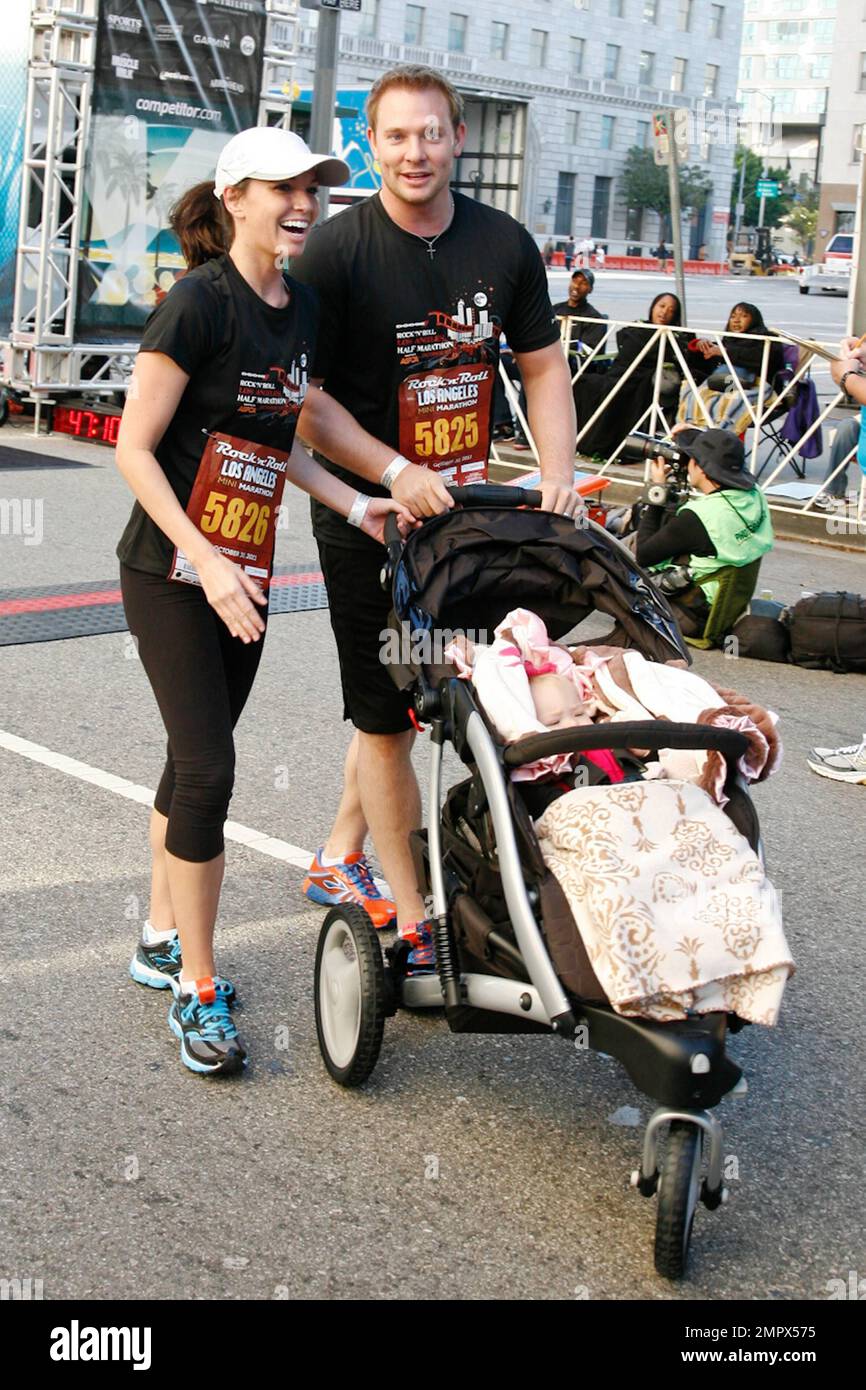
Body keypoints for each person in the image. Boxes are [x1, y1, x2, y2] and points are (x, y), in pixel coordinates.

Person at [115, 127, 411, 1074]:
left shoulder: (301, 307)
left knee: (189, 763)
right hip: (173, 568)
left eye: (314, 189)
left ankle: (159, 938)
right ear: (234, 195)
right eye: (282, 187)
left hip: (243, 565)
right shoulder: (196, 305)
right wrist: (201, 558)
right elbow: (132, 446)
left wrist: (357, 501)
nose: (302, 204)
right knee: (209, 770)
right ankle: (197, 989)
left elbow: (275, 438)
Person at [294, 65, 583, 972]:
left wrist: (558, 478)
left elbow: (541, 367)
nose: (415, 152)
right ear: (370, 146)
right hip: (371, 516)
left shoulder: (504, 243)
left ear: (460, 139)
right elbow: (301, 398)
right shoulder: (336, 253)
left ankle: (340, 855)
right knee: (387, 712)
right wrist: (392, 468)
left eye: (432, 134)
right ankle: (413, 917)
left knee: (428, 694)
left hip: (468, 520)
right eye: (396, 136)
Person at [635, 427, 774, 638]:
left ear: (699, 468)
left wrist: (656, 492)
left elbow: (643, 555)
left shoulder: (700, 517)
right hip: (725, 607)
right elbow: (723, 449)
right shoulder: (755, 495)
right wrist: (689, 432)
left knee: (614, 555)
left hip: (690, 615)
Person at [573, 291, 682, 459]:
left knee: (616, 389)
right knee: (583, 383)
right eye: (661, 306)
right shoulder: (638, 328)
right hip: (618, 371)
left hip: (641, 378)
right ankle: (574, 438)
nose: (665, 312)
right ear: (653, 307)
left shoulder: (674, 336)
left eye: (671, 310)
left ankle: (605, 445)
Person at [678, 302, 784, 433]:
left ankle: (720, 440)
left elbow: (760, 358)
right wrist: (701, 345)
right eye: (733, 316)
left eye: (744, 316)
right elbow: (706, 359)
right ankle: (692, 436)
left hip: (758, 385)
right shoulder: (729, 340)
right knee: (696, 396)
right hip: (727, 383)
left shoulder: (768, 339)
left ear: (754, 320)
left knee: (732, 402)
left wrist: (724, 351)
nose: (736, 320)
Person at [551, 268, 607, 356]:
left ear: (590, 289)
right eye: (574, 281)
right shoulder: (555, 310)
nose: (577, 286)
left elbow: (588, 350)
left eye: (583, 283)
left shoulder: (594, 318)